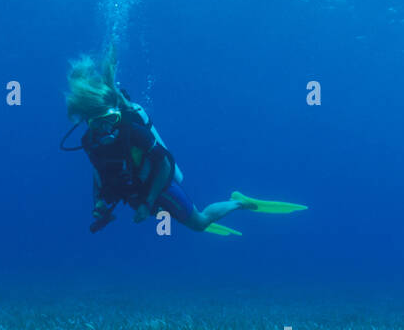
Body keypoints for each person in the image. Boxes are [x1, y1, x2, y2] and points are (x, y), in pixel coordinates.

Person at [63, 51, 306, 236]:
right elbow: (97, 172)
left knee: (198, 224)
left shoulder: (133, 132)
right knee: (157, 212)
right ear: (86, 122)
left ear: (116, 114)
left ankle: (238, 202)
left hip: (156, 181)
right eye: (97, 124)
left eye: (109, 120)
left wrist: (148, 203)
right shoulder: (89, 141)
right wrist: (99, 203)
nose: (104, 130)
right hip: (134, 188)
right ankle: (166, 209)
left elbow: (165, 166)